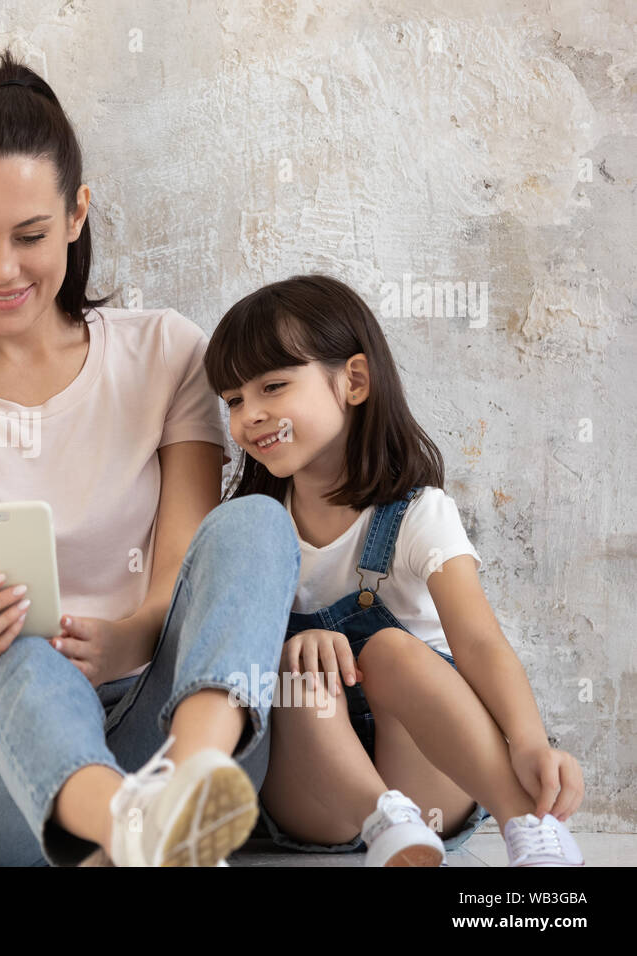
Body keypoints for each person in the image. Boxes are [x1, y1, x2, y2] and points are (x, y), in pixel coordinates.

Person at [0, 51, 301, 866]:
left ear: (77, 213)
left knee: (257, 522)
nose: (2, 270)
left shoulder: (164, 352)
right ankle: (136, 830)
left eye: (29, 235)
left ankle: (191, 789)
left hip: (154, 720)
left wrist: (129, 638)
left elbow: (181, 570)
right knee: (29, 659)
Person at [204, 273, 585, 866]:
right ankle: (385, 823)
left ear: (353, 380)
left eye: (272, 386)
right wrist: (291, 650)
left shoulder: (417, 515)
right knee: (295, 664)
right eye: (233, 400)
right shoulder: (252, 530)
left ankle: (529, 825)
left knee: (389, 651)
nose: (249, 415)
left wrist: (530, 742)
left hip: (430, 778)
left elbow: (480, 641)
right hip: (318, 794)